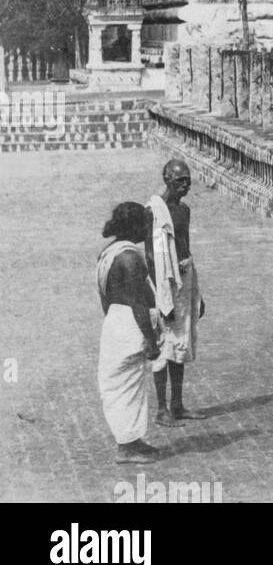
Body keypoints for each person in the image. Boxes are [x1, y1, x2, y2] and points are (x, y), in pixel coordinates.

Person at [97, 202, 162, 463]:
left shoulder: (110, 251)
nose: (149, 229)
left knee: (129, 383)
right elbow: (138, 302)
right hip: (130, 322)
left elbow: (104, 295)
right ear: (135, 226)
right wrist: (150, 338)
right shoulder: (130, 258)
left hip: (115, 319)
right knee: (126, 386)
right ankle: (126, 447)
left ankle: (133, 441)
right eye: (146, 223)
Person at [146, 158, 205, 426]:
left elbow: (187, 247)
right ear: (167, 179)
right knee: (163, 345)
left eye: (188, 182)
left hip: (185, 278)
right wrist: (161, 294)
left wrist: (197, 293)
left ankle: (177, 405)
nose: (186, 187)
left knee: (180, 343)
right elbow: (150, 254)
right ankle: (161, 410)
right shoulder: (153, 211)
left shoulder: (185, 211)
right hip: (164, 283)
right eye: (181, 182)